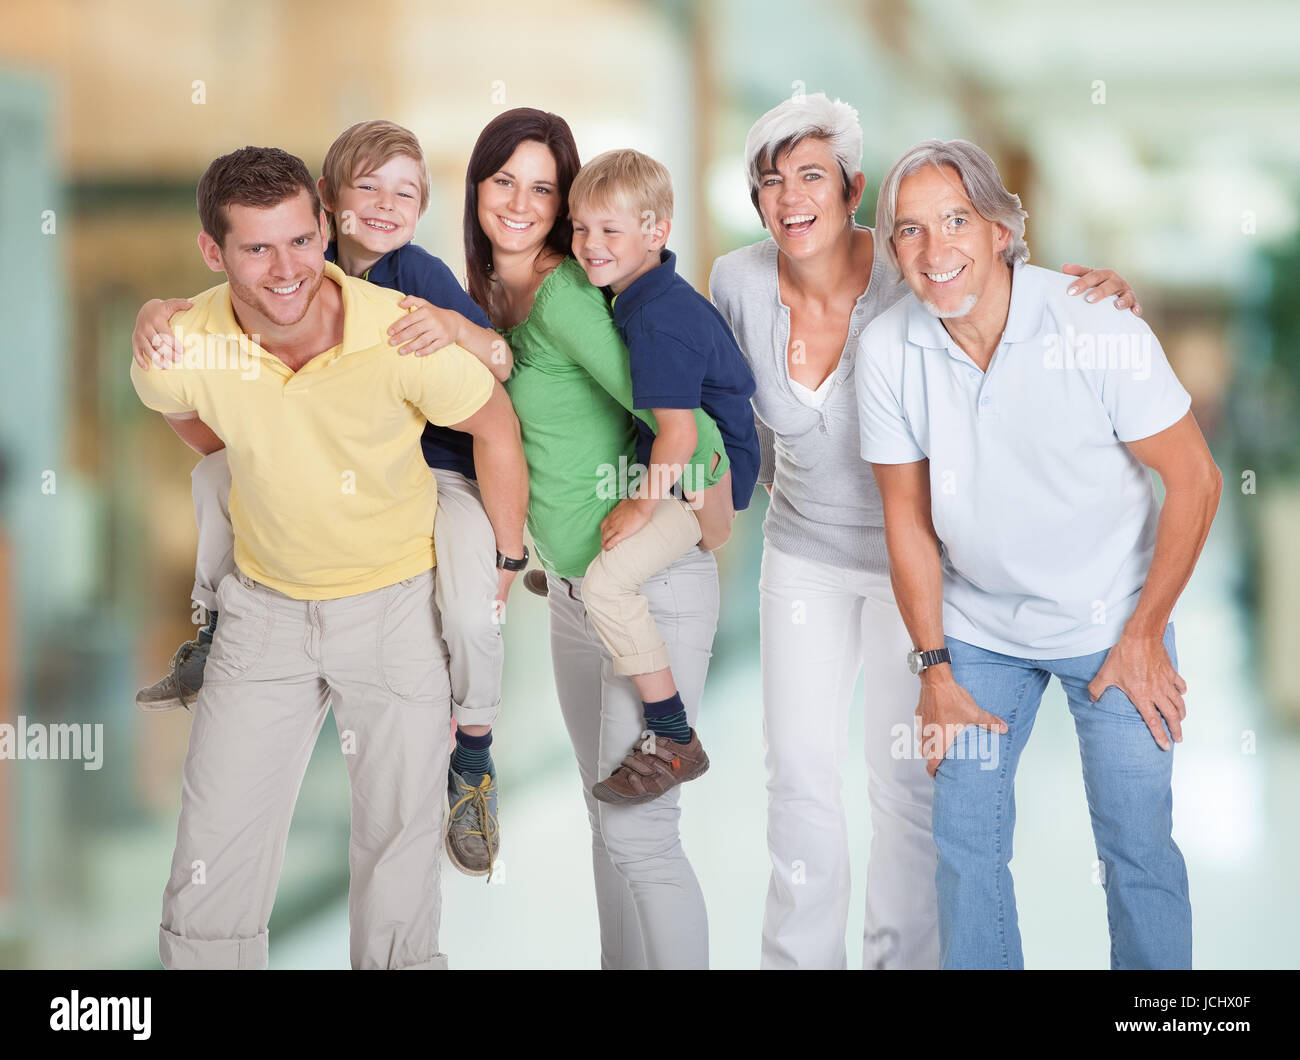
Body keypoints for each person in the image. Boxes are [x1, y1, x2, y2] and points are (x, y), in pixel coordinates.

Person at [709, 92, 1143, 969]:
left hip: (917, 562)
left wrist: (1096, 299)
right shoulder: (737, 282)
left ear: (852, 190)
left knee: (906, 780)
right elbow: (721, 407)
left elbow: (1000, 297)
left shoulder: (910, 266)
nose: (791, 198)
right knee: (797, 778)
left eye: (811, 176)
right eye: (771, 181)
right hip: (802, 555)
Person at [130, 146, 527, 968]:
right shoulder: (182, 343)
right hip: (262, 615)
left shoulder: (399, 329)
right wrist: (271, 457)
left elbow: (494, 423)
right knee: (212, 859)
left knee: (399, 863)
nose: (288, 270)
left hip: (394, 610)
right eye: (256, 248)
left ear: (323, 224)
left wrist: (504, 559)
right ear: (213, 252)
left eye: (302, 241)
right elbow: (190, 420)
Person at [858, 138, 1222, 969]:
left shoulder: (1093, 322)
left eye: (956, 220)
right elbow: (906, 521)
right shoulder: (886, 351)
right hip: (980, 629)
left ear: (1001, 231)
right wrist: (935, 672)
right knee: (965, 845)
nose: (934, 248)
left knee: (1136, 846)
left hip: (1114, 618)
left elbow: (1197, 480)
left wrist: (1143, 635)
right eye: (910, 230)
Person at [465, 108, 727, 968]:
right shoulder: (491, 298)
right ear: (477, 187)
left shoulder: (566, 299)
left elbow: (691, 432)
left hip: (645, 586)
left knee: (643, 836)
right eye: (505, 181)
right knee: (605, 816)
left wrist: (695, 511)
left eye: (543, 188)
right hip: (574, 594)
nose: (521, 203)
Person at [566, 148, 761, 805]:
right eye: (581, 228)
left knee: (606, 585)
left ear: (656, 233)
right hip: (684, 468)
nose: (590, 245)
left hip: (702, 480)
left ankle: (674, 734)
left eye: (609, 230)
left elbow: (681, 434)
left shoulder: (657, 318)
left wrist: (641, 508)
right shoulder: (637, 296)